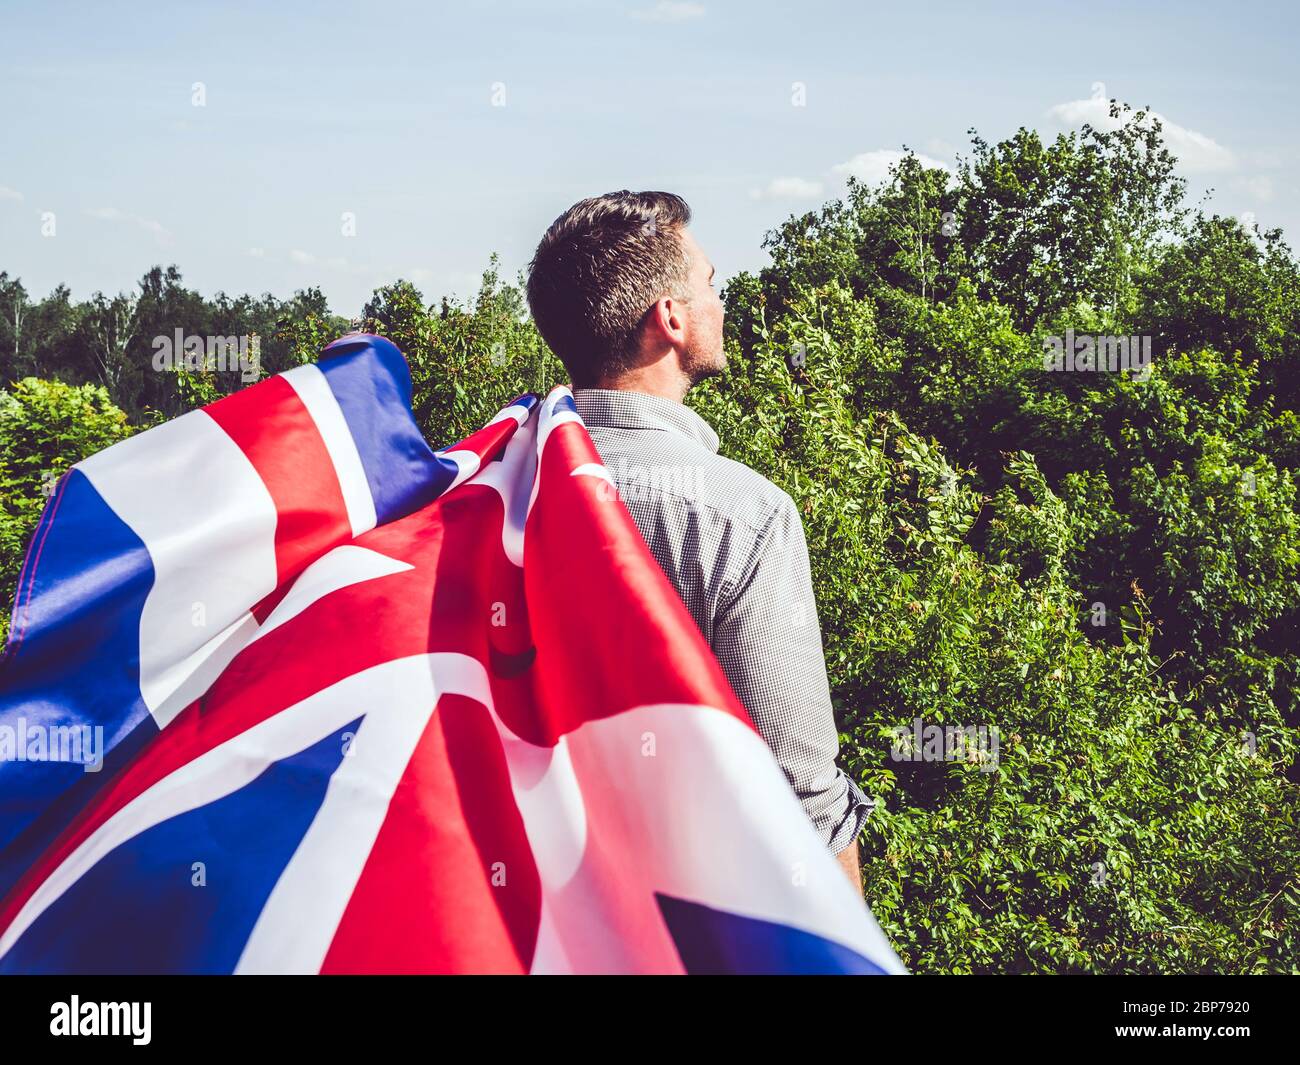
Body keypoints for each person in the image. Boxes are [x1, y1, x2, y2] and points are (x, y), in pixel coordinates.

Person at [525, 191, 872, 888]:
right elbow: (799, 799)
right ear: (672, 318)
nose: (721, 299)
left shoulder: (498, 485)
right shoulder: (744, 515)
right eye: (709, 282)